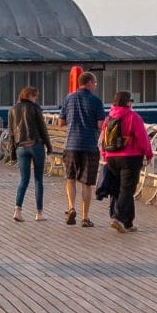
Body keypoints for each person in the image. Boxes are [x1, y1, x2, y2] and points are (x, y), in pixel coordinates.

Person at [99, 89, 153, 233]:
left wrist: (105, 154)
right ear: (128, 102)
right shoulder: (133, 117)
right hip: (130, 158)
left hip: (111, 157)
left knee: (118, 190)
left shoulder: (109, 117)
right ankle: (117, 218)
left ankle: (128, 222)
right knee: (127, 189)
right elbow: (143, 139)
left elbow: (103, 138)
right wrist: (149, 154)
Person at [58, 71, 106, 227]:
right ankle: (85, 218)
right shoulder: (96, 101)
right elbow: (100, 125)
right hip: (89, 146)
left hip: (71, 144)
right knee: (87, 183)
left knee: (70, 179)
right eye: (95, 84)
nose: (95, 87)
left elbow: (60, 122)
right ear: (90, 82)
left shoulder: (69, 98)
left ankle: (71, 208)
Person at [5, 85, 50, 222]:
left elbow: (11, 133)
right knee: (38, 180)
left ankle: (17, 211)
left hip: (21, 147)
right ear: (30, 95)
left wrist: (12, 154)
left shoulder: (12, 110)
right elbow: (43, 129)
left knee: (24, 180)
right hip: (36, 145)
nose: (36, 99)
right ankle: (39, 213)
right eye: (35, 96)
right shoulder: (35, 108)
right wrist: (49, 146)